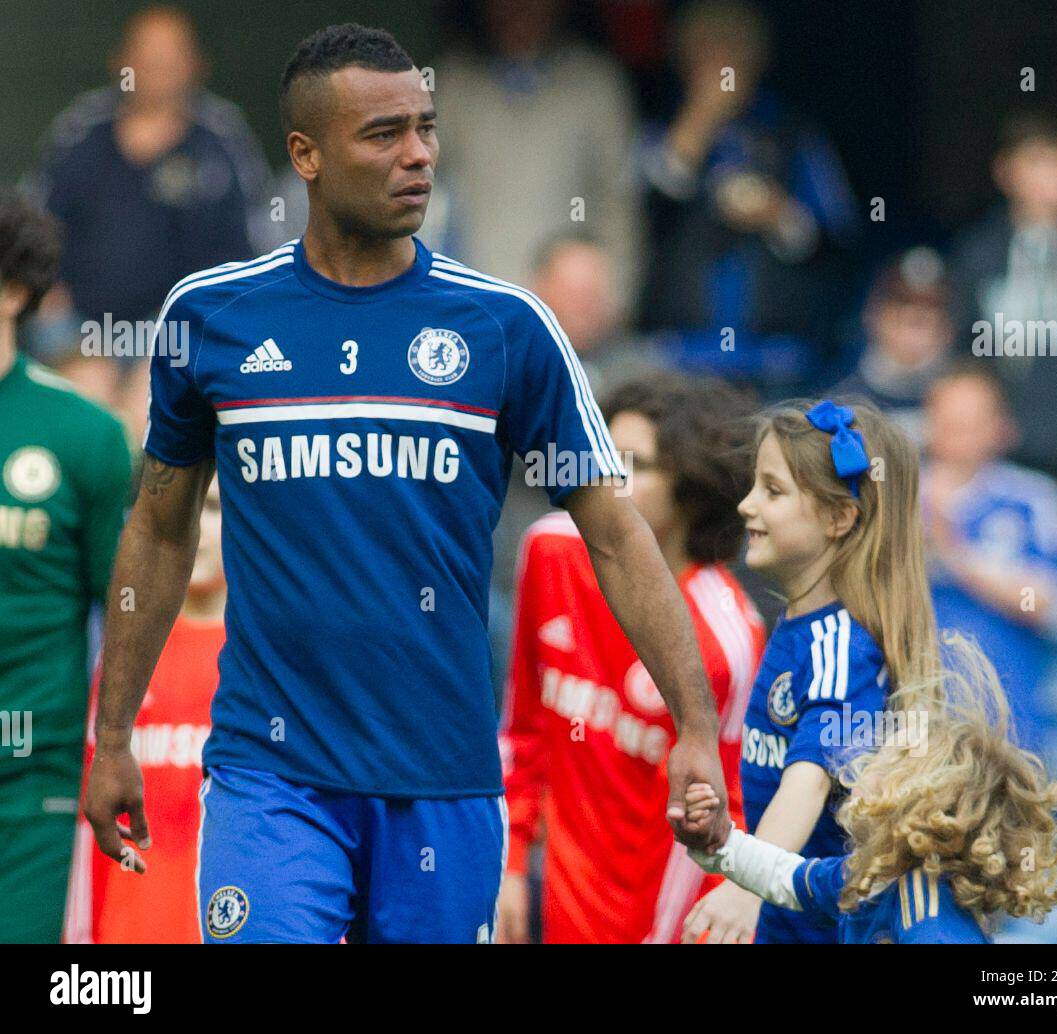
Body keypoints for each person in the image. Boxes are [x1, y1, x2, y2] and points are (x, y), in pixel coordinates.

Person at [83, 23, 730, 946]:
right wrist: (113, 741)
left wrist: (693, 724)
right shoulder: (212, 317)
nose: (419, 153)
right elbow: (158, 527)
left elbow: (616, 534)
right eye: (383, 134)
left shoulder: (507, 326)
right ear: (304, 155)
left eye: (425, 127)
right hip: (271, 777)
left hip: (444, 784)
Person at [496, 374, 765, 944]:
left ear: (692, 488)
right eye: (604, 458)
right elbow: (522, 732)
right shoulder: (550, 552)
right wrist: (509, 861)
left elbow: (730, 809)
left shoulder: (729, 633)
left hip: (657, 921)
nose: (611, 481)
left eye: (637, 466)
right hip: (553, 901)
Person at [683, 399, 936, 943]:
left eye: (773, 491)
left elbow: (808, 780)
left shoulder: (839, 644)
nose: (747, 506)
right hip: (785, 920)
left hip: (823, 929)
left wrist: (746, 885)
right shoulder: (800, 626)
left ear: (839, 518)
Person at [682, 633, 1057, 943]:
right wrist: (719, 841)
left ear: (920, 803)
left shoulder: (930, 923)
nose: (865, 758)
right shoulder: (871, 875)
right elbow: (785, 876)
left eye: (891, 755)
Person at [24, 6, 268, 432]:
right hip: (82, 329)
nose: (158, 65)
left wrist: (170, 347)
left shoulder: (223, 141)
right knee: (86, 402)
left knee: (153, 399)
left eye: (172, 53)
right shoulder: (81, 132)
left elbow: (254, 256)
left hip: (180, 332)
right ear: (120, 61)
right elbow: (35, 227)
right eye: (147, 52)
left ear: (197, 64)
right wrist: (47, 290)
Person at [0, 193, 133, 943]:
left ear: (16, 290)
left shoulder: (82, 436)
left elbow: (124, 609)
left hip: (33, 790)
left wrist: (112, 749)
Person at [639, 1, 858, 393]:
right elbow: (649, 207)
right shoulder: (658, 128)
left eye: (732, 49)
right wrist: (701, 119)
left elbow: (837, 236)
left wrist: (779, 214)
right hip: (680, 353)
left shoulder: (792, 133)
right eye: (706, 50)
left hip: (776, 358)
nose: (721, 64)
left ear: (757, 57)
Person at [67, 478, 225, 944]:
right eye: (182, 508)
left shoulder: (267, 669)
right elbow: (88, 838)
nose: (196, 526)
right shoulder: (120, 664)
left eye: (213, 507)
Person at [434, 0, 642, 312]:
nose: (520, 9)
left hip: (569, 314)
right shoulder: (451, 83)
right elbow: (423, 199)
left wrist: (611, 302)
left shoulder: (595, 83)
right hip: (470, 306)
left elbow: (618, 201)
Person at [950, 113, 1057, 480]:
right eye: (1037, 161)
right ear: (1005, 172)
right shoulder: (975, 257)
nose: (1052, 177)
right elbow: (960, 355)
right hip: (998, 457)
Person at [921, 365, 1057, 746]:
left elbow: (1045, 604)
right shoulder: (895, 499)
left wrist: (953, 554)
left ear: (1001, 427)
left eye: (970, 422)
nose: (956, 434)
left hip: (1010, 722)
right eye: (947, 420)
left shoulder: (1033, 498)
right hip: (915, 720)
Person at [829, 247, 954, 448]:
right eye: (901, 302)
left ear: (949, 325)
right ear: (873, 314)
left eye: (932, 305)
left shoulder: (971, 409)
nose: (915, 315)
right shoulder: (839, 405)